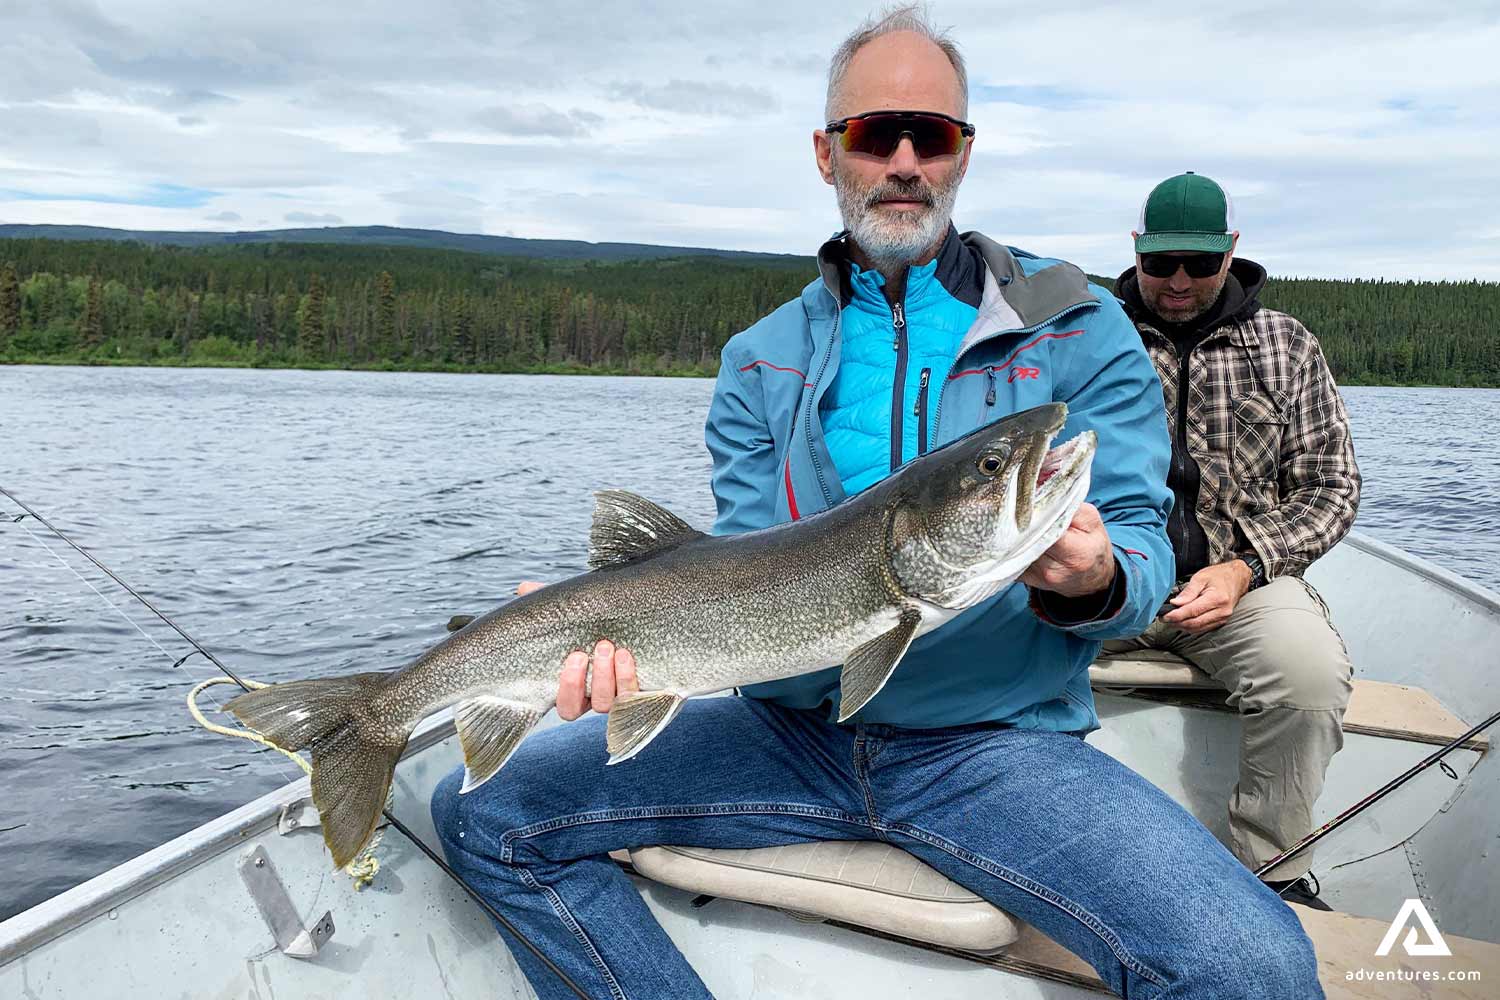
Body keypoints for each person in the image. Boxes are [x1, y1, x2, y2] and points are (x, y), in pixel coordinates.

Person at [431, 8, 1322, 998]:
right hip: (783, 736)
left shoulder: (1079, 322)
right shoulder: (759, 355)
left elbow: (1146, 555)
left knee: (1259, 967)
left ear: (963, 155)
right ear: (827, 153)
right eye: (874, 134)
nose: (904, 159)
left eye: (931, 136)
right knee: (484, 812)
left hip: (995, 744)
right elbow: (735, 559)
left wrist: (1099, 576)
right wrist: (620, 644)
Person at [1104, 171, 1361, 911]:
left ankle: (1273, 868)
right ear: (1137, 252)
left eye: (1198, 263)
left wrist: (1245, 567)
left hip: (1243, 584)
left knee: (1309, 676)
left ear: (1230, 253)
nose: (1178, 281)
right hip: (1112, 579)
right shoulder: (1096, 339)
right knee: (993, 651)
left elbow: (1331, 487)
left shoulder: (1285, 344)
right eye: (1160, 264)